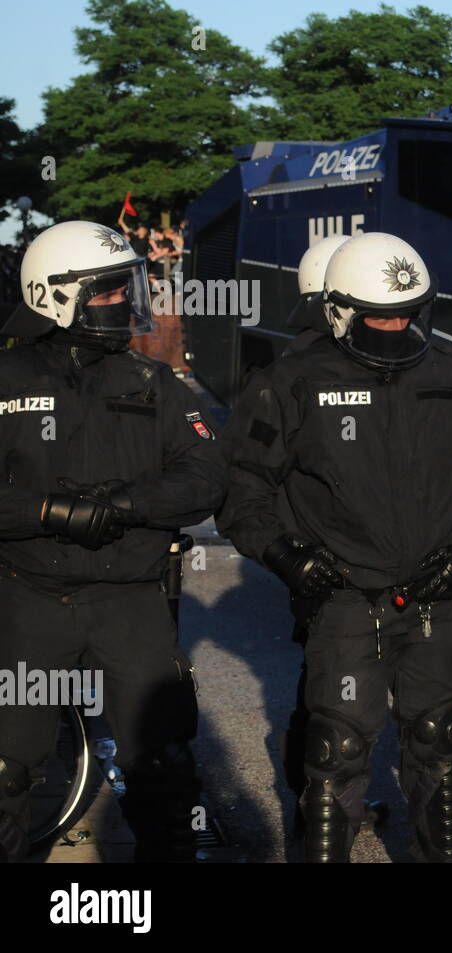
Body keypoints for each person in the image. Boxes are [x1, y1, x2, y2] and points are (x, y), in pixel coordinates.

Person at [218, 232, 452, 863]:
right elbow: (242, 486)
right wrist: (283, 555)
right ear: (338, 310)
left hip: (437, 592)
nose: (395, 326)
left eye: (406, 313)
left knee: (438, 739)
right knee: (339, 749)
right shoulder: (291, 381)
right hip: (345, 599)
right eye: (379, 315)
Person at [0, 220, 225, 862]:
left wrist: (126, 505)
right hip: (28, 602)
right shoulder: (4, 378)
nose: (123, 302)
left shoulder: (153, 383)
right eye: (105, 291)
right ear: (53, 295)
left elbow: (206, 474)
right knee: (8, 770)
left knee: (165, 770)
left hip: (130, 602)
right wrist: (48, 510)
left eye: (125, 287)